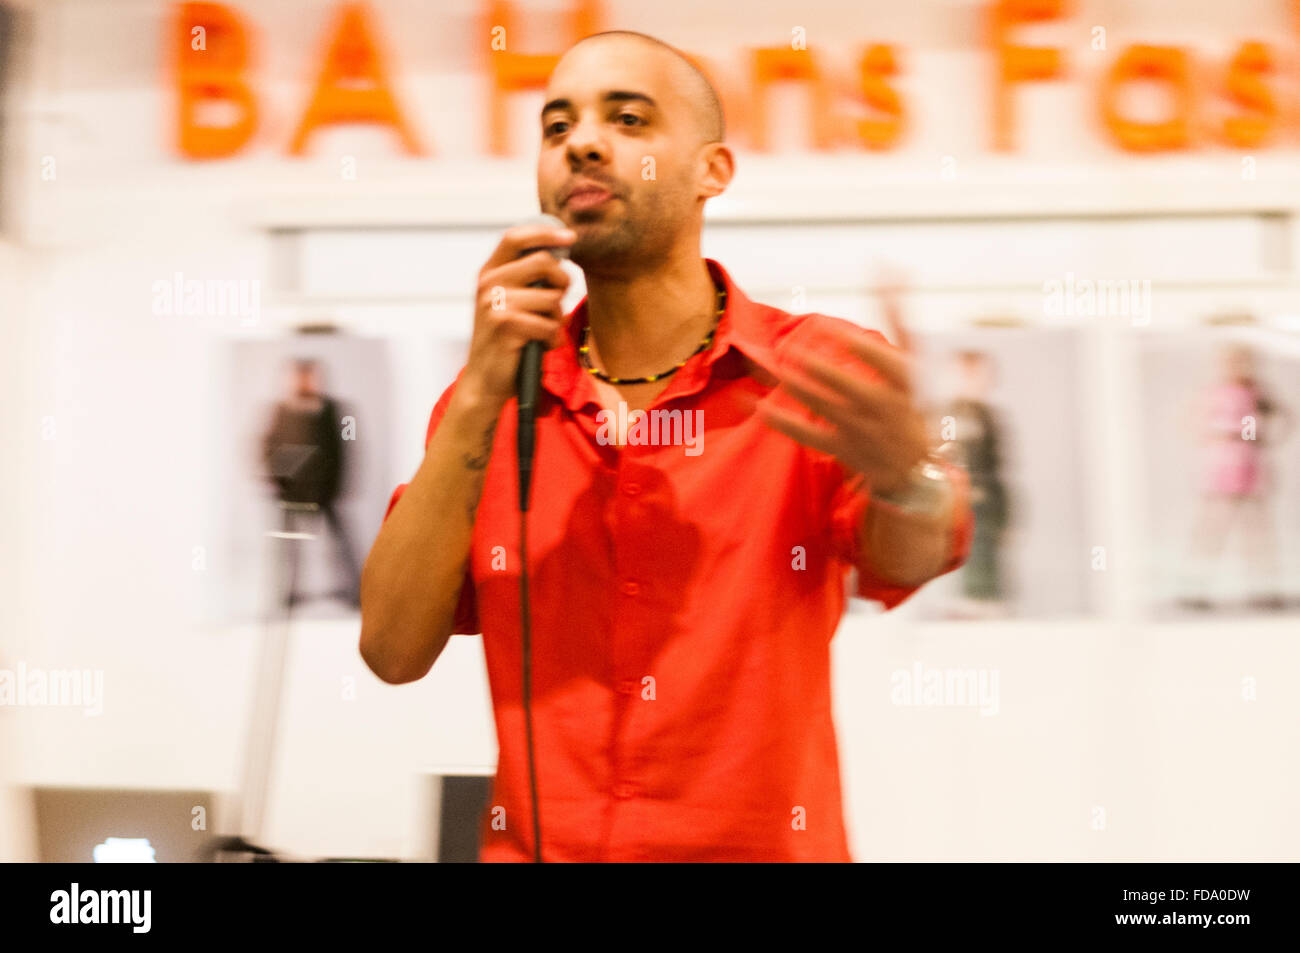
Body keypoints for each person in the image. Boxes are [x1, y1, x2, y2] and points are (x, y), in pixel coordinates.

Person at [360, 30, 974, 862]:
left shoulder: (811, 370)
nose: (580, 141)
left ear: (711, 170)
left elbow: (904, 557)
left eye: (628, 118)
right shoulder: (487, 406)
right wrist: (477, 395)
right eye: (555, 127)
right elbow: (392, 651)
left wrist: (909, 479)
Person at [261, 358, 361, 609]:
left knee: (342, 543)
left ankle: (355, 592)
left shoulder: (334, 410)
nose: (304, 382)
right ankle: (288, 592)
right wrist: (275, 479)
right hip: (291, 491)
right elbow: (268, 445)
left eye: (309, 376)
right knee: (288, 547)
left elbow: (344, 448)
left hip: (325, 490)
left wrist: (339, 484)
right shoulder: (280, 410)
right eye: (300, 376)